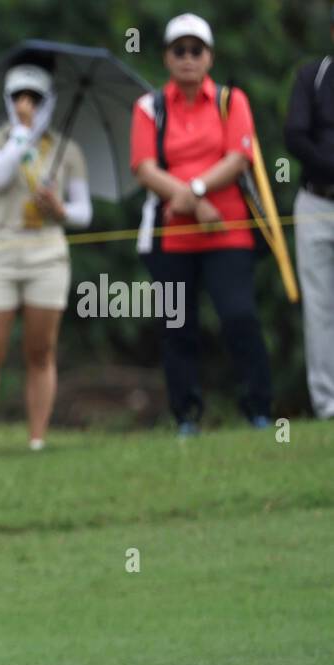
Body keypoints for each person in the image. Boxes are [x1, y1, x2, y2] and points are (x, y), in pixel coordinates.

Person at [131, 13, 272, 436]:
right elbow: (144, 168)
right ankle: (186, 416)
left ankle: (258, 409)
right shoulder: (149, 107)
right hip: (173, 237)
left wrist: (191, 190)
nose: (188, 58)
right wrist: (195, 205)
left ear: (209, 57)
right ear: (167, 58)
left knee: (238, 315)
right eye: (180, 50)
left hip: (227, 229)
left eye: (196, 50)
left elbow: (238, 158)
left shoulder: (232, 101)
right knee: (177, 326)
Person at [0, 62, 92, 452]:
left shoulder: (66, 149)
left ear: (48, 102)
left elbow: (83, 212)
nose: (27, 104)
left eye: (35, 99)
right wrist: (21, 135)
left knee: (40, 351)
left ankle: (37, 439)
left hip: (47, 254)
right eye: (18, 97)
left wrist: (59, 209)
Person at [284, 8, 334, 420]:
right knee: (319, 306)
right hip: (316, 202)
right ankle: (327, 404)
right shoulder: (312, 75)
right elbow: (295, 136)